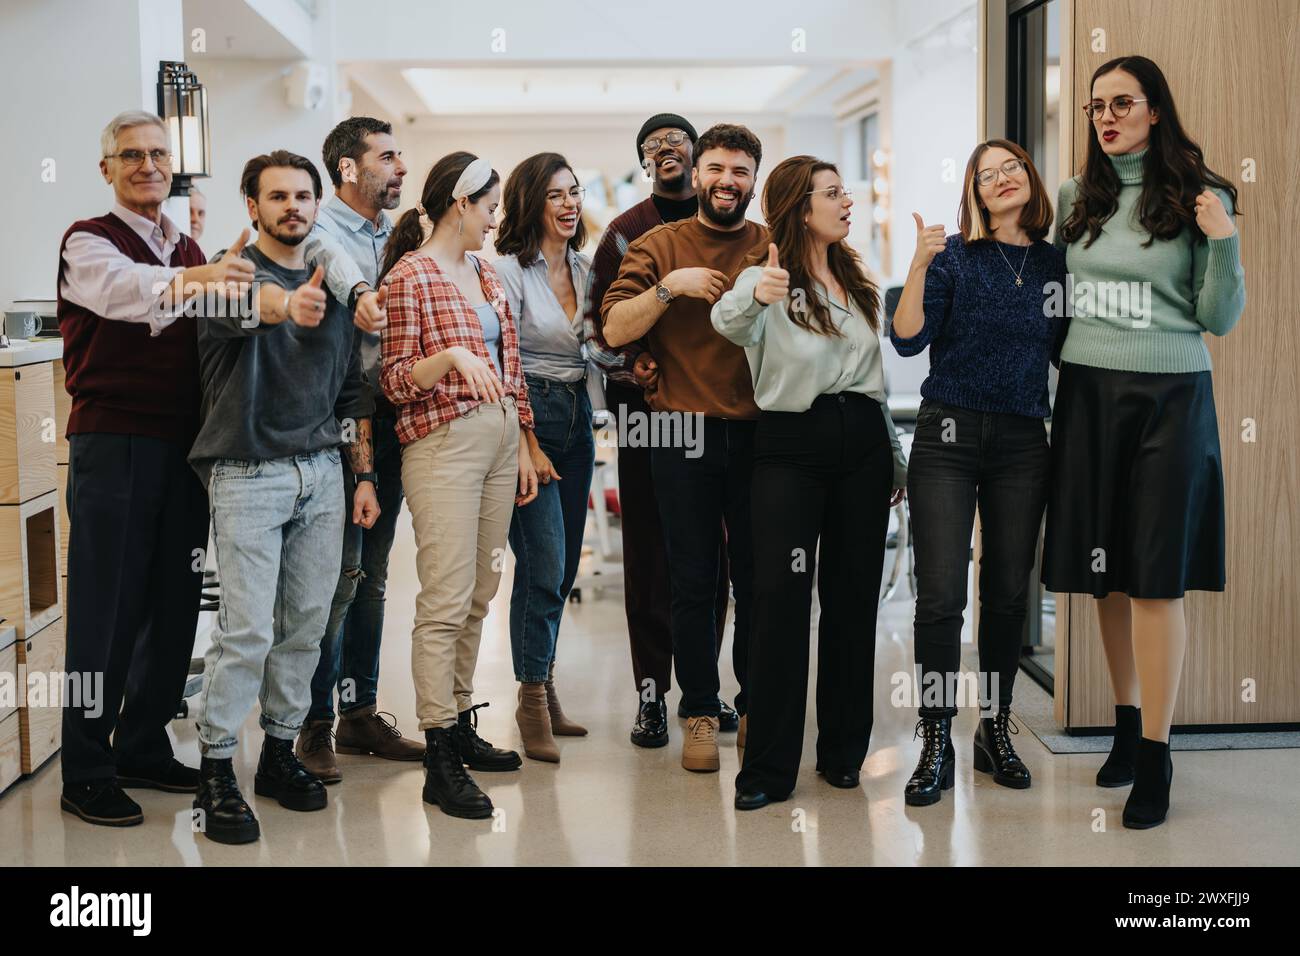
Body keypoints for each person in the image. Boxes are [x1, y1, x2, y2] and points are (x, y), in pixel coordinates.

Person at [1043, 56, 1245, 829]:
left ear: (1156, 108)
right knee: (1108, 574)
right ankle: (1126, 727)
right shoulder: (1075, 197)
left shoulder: (1201, 196)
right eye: (1095, 105)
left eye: (1121, 102)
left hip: (1172, 394)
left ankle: (1157, 756)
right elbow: (1055, 297)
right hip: (1090, 394)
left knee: (1157, 578)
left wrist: (1222, 238)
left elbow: (1218, 316)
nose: (1105, 116)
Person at [56, 110, 252, 828]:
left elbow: (209, 320)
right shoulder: (88, 240)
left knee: (173, 606)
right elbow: (129, 293)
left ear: (174, 166)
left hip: (183, 446)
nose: (147, 165)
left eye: (158, 154)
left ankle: (141, 744)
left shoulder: (189, 243)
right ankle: (86, 767)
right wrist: (205, 273)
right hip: (112, 442)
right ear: (106, 167)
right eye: (131, 155)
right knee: (103, 615)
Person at [188, 150, 376, 844]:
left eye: (303, 195)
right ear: (252, 206)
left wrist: (360, 475)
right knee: (248, 631)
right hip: (246, 473)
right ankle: (214, 769)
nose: (292, 206)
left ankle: (276, 751)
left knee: (304, 626)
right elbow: (246, 309)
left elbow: (353, 386)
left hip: (322, 471)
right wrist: (286, 304)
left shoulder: (337, 279)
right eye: (277, 196)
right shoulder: (226, 273)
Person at [714, 156, 906, 809]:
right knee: (779, 604)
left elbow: (872, 376)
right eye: (832, 193)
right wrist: (754, 293)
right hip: (792, 444)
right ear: (801, 206)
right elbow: (728, 322)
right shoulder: (768, 276)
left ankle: (843, 753)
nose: (846, 200)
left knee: (854, 600)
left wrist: (895, 457)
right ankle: (767, 770)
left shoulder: (855, 275)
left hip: (864, 444)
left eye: (844, 191)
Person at [890, 140, 1066, 807]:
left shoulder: (1055, 263)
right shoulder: (955, 257)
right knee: (939, 595)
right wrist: (918, 264)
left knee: (1007, 595)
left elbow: (1069, 348)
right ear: (973, 191)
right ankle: (936, 735)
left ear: (1028, 178)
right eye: (985, 175)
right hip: (949, 433)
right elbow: (908, 337)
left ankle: (994, 727)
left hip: (1023, 438)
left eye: (1009, 168)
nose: (999, 180)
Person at [603, 123, 767, 773]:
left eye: (741, 172)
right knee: (693, 580)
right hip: (681, 432)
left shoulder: (773, 243)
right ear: (696, 175)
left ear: (753, 180)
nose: (728, 182)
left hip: (759, 432)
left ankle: (755, 705)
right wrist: (671, 288)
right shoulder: (656, 244)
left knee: (758, 582)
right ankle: (699, 709)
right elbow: (614, 327)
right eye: (717, 169)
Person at [380, 152, 538, 819]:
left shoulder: (484, 272)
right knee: (444, 596)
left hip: (499, 435)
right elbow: (390, 382)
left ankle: (462, 720)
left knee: (480, 590)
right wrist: (447, 357)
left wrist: (525, 439)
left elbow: (514, 364)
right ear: (458, 204)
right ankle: (438, 749)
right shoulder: (409, 276)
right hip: (442, 441)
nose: (496, 220)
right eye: (490, 207)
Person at [296, 116, 424, 781]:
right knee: (337, 579)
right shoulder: (321, 231)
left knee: (373, 577)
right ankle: (313, 723)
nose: (400, 168)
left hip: (390, 412)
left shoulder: (396, 236)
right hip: (342, 419)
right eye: (387, 157)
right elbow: (333, 265)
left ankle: (359, 712)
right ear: (349, 168)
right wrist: (363, 293)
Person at [494, 153, 594, 761]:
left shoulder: (586, 267)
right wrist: (525, 440)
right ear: (530, 202)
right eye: (556, 194)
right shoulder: (506, 271)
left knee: (562, 569)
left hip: (577, 419)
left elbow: (596, 350)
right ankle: (530, 699)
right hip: (529, 418)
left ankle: (546, 683)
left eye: (575, 192)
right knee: (541, 563)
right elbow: (504, 357)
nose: (569, 204)